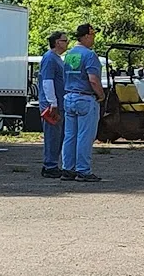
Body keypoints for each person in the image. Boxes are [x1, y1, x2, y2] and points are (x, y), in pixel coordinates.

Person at [60, 23, 104, 183]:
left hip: (69, 97)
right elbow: (93, 79)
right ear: (86, 36)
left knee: (70, 136)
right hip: (85, 98)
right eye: (92, 36)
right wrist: (101, 95)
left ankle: (68, 169)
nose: (93, 39)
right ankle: (83, 170)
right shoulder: (89, 55)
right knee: (85, 136)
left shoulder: (70, 54)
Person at [38, 30, 69, 178]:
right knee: (52, 136)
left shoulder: (56, 58)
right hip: (52, 106)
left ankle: (53, 164)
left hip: (57, 104)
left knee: (58, 136)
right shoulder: (50, 58)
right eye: (65, 40)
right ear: (57, 42)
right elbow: (47, 81)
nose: (67, 43)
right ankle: (49, 166)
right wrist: (52, 102)